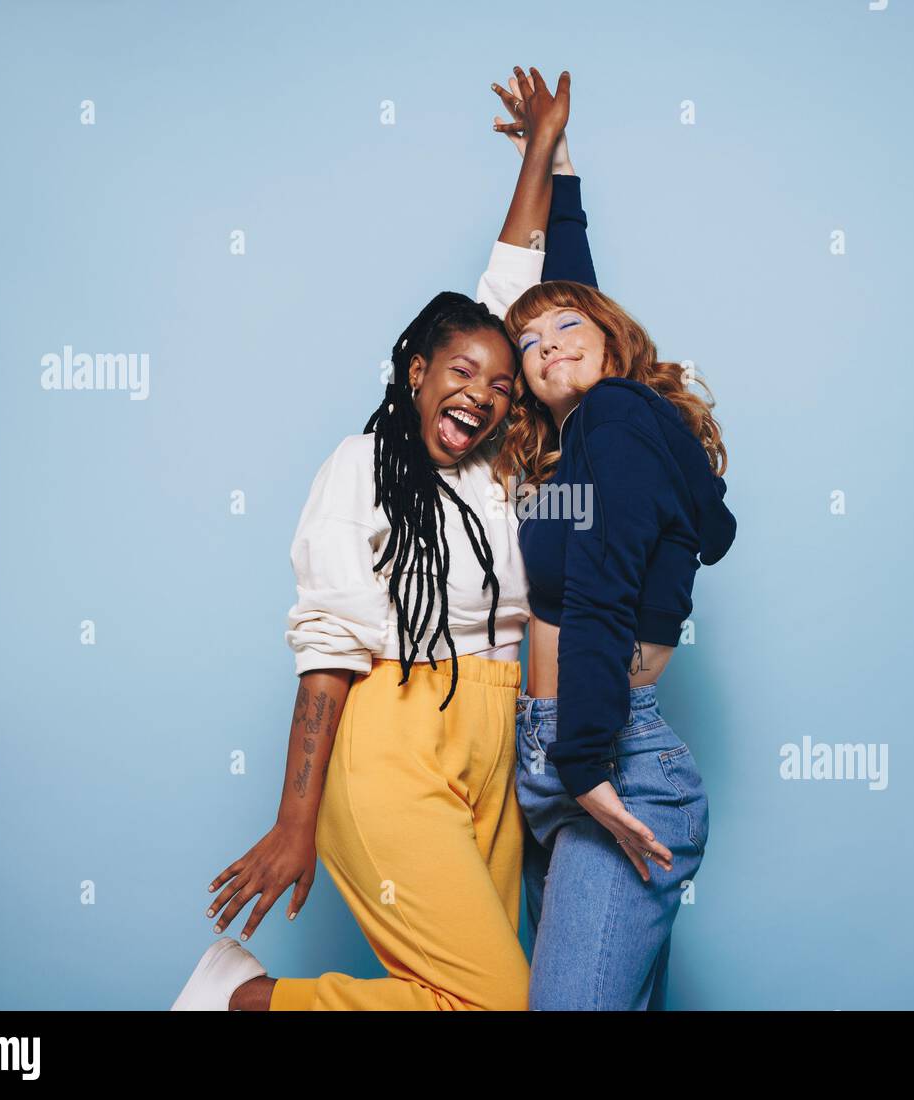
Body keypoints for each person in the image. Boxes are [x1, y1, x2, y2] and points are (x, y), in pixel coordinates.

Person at [171, 67, 582, 1011]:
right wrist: (293, 820)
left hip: (500, 737)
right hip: (394, 736)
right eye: (460, 373)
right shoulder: (362, 468)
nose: (481, 393)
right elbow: (327, 654)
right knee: (500, 1004)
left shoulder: (493, 466)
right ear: (414, 371)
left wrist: (541, 156)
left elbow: (506, 288)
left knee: (454, 990)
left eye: (500, 386)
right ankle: (246, 1004)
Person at [493, 231, 737, 1009]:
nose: (545, 347)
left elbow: (602, 590)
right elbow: (566, 310)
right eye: (527, 343)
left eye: (568, 327)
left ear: (613, 340)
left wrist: (585, 763)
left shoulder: (615, 416)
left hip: (607, 759)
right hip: (561, 753)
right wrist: (557, 169)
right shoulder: (585, 445)